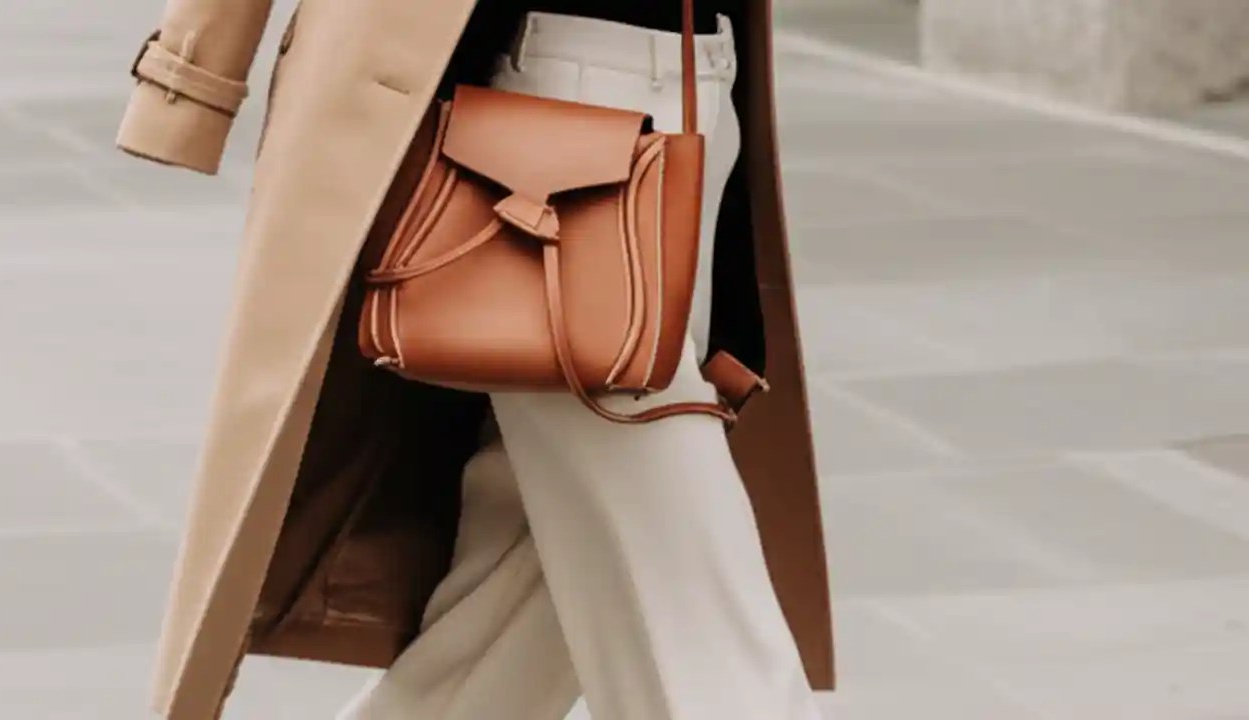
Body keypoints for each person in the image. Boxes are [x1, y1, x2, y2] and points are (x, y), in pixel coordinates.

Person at [116, 1, 834, 718]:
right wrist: (190, 75)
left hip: (689, 87)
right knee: (702, 615)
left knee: (516, 616)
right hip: (555, 129)